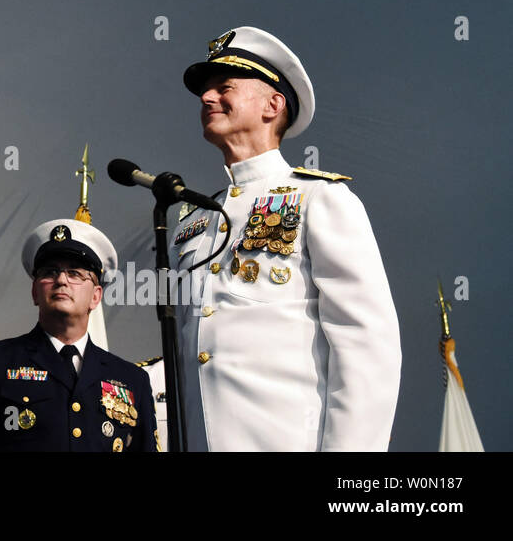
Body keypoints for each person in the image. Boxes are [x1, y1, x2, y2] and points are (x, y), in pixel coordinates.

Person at [172, 26, 401, 451]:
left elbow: (367, 344)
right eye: (205, 91)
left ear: (272, 105)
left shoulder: (320, 197)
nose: (207, 99)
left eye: (225, 87)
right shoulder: (194, 221)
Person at [0, 220, 157, 452]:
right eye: (50, 272)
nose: (61, 280)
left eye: (75, 273)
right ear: (35, 291)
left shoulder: (132, 379)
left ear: (96, 296)